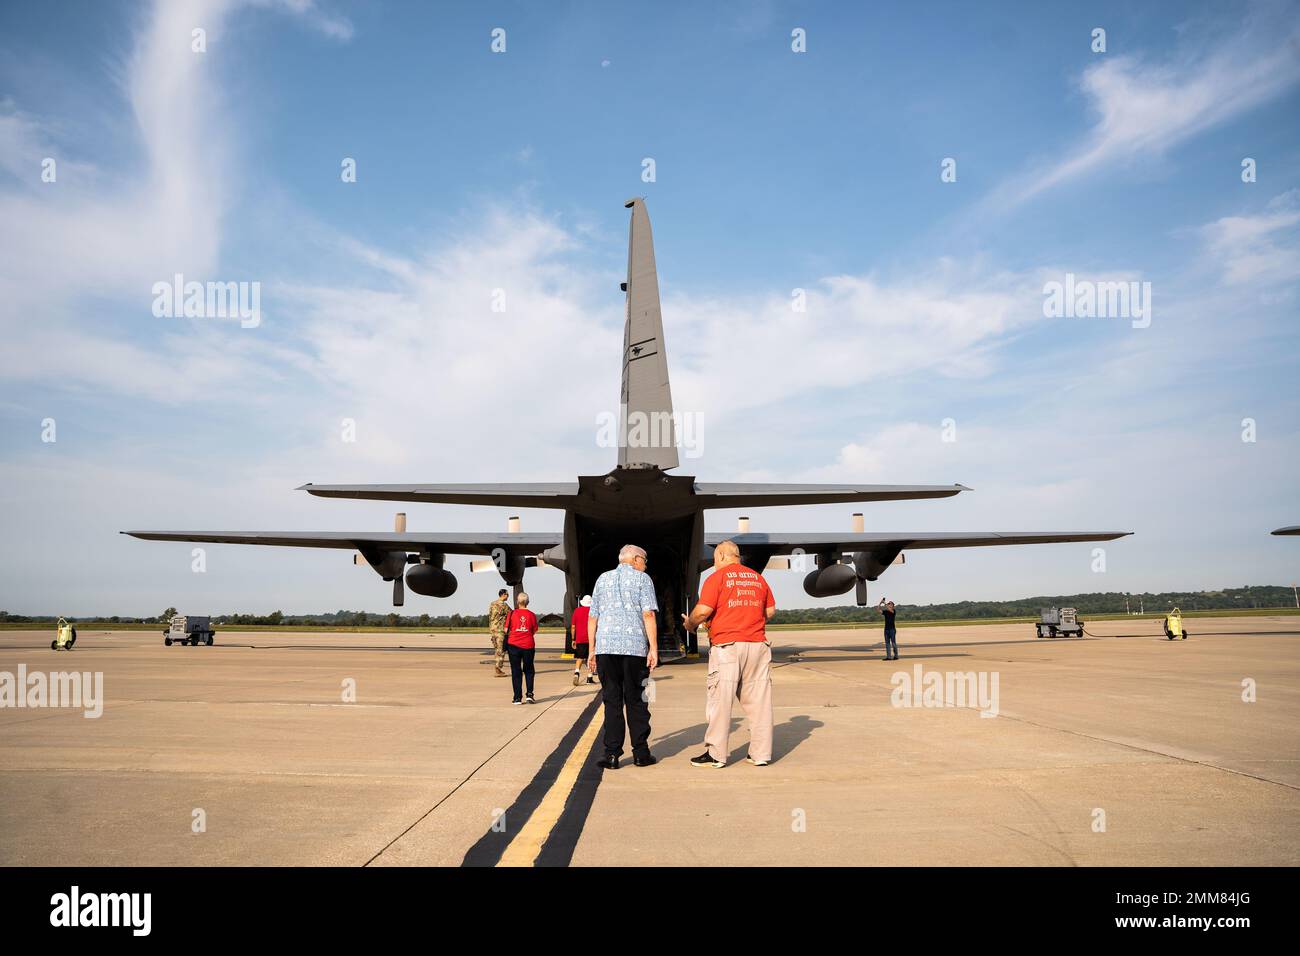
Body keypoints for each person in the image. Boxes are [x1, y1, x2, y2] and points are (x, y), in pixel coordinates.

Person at [682, 540, 775, 768]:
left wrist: (691, 625)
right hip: (757, 646)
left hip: (727, 647)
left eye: (714, 560)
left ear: (722, 556)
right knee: (759, 703)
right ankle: (760, 754)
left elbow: (703, 610)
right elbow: (770, 611)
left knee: (720, 702)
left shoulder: (718, 578)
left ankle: (716, 754)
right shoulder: (758, 578)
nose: (714, 565)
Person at [588, 544, 659, 769]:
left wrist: (591, 649)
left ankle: (611, 755)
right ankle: (640, 753)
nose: (645, 565)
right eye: (645, 561)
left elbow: (593, 617)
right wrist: (654, 648)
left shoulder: (602, 579)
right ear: (636, 559)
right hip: (634, 648)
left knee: (612, 701)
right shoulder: (643, 579)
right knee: (637, 700)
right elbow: (648, 614)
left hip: (605, 648)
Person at [505, 592, 538, 704]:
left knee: (516, 671)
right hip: (528, 645)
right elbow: (534, 630)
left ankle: (517, 698)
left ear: (517, 602)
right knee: (529, 670)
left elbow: (506, 630)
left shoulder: (512, 613)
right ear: (527, 602)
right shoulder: (532, 615)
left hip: (513, 645)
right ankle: (529, 694)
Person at [571, 595, 596, 686]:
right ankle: (589, 678)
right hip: (591, 638)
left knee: (580, 657)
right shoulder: (593, 611)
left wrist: (573, 639)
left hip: (580, 638)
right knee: (591, 658)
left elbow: (573, 627)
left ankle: (577, 672)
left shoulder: (577, 611)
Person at [487, 588, 511, 678]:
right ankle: (498, 668)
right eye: (507, 595)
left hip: (493, 630)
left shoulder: (492, 604)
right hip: (500, 630)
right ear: (503, 595)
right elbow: (512, 613)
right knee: (501, 650)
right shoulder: (504, 606)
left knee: (497, 649)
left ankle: (498, 667)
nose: (508, 596)